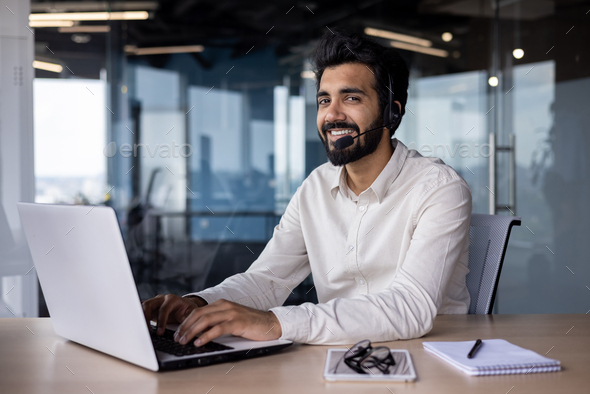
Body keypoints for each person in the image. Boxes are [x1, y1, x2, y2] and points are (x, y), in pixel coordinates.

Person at [142, 28, 472, 347]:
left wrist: (274, 323)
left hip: (430, 357)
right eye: (324, 100)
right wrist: (201, 303)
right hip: (340, 353)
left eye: (351, 98)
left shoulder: (439, 189)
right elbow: (267, 279)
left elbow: (410, 309)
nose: (332, 114)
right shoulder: (315, 187)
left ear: (392, 113)